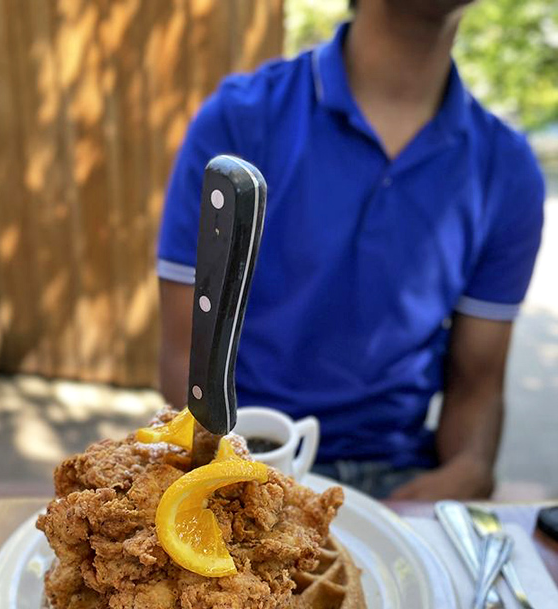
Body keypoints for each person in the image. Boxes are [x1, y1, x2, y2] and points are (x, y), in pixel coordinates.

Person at [156, 0, 545, 500]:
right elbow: (184, 352)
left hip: (399, 474)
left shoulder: (508, 169)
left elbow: (479, 383)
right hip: (245, 453)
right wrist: (228, 476)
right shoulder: (238, 119)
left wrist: (468, 473)